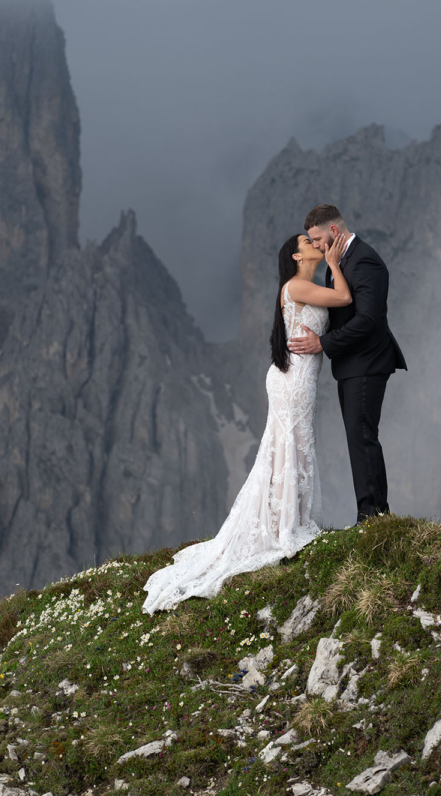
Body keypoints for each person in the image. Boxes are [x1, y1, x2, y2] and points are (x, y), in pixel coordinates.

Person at [142, 232, 351, 613]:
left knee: (296, 443)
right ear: (296, 254)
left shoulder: (306, 284)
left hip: (299, 377)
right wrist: (336, 264)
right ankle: (285, 524)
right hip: (293, 380)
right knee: (291, 443)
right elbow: (343, 298)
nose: (315, 245)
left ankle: (290, 518)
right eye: (308, 241)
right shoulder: (297, 285)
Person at [288, 204, 407, 524]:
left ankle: (372, 516)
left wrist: (322, 343)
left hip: (368, 363)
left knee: (362, 436)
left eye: (316, 239)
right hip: (353, 365)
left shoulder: (364, 259)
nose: (314, 245)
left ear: (334, 232)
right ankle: (374, 513)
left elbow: (368, 319)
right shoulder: (337, 261)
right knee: (359, 436)